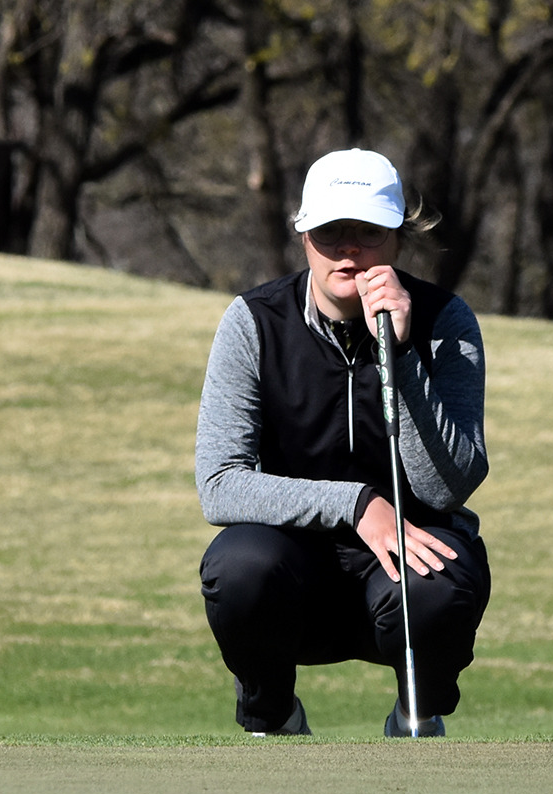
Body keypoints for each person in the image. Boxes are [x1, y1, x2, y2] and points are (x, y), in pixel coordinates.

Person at [195, 148, 491, 737]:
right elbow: (219, 483)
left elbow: (450, 483)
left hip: (407, 564)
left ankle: (416, 713)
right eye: (331, 232)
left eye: (368, 233)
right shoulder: (254, 322)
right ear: (305, 236)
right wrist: (356, 504)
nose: (349, 250)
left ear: (399, 239)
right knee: (241, 568)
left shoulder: (446, 322)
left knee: (443, 583)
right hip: (292, 566)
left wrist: (402, 356)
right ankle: (272, 714)